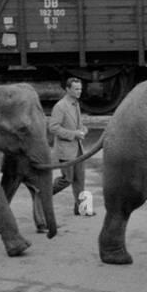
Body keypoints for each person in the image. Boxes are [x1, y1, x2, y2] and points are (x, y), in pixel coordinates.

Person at [49, 78, 93, 216]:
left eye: (80, 89)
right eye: (76, 89)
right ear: (67, 89)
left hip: (78, 148)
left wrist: (83, 129)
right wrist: (74, 134)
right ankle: (43, 194)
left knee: (80, 178)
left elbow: (77, 125)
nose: (79, 91)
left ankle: (81, 209)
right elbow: (53, 128)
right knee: (66, 180)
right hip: (66, 150)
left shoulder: (75, 104)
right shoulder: (60, 106)